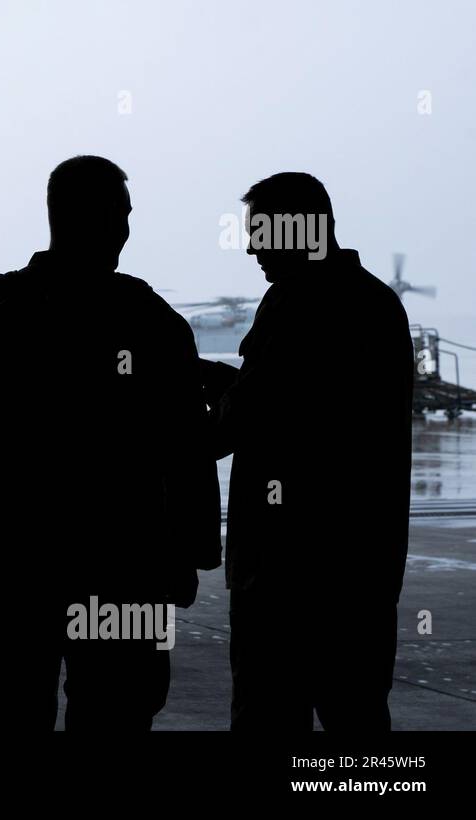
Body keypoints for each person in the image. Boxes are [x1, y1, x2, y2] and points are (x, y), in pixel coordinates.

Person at [0, 156, 221, 730]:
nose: (126, 228)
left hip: (20, 562)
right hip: (127, 565)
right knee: (116, 714)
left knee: (20, 710)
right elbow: (188, 450)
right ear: (107, 219)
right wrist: (191, 553)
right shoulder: (152, 321)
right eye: (122, 213)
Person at [201, 172, 413, 731]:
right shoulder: (374, 303)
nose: (250, 247)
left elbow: (250, 418)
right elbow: (308, 407)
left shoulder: (297, 304)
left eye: (260, 233)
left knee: (267, 714)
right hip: (362, 569)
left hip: (283, 576)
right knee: (358, 717)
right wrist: (231, 385)